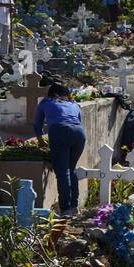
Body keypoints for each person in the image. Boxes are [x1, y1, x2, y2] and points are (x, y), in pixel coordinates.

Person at [33, 83, 86, 217]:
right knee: (71, 170)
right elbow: (78, 121)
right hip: (79, 134)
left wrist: (40, 140)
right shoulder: (74, 104)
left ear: (50, 93)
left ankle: (65, 209)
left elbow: (37, 123)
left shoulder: (46, 102)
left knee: (62, 173)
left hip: (59, 131)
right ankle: (74, 207)